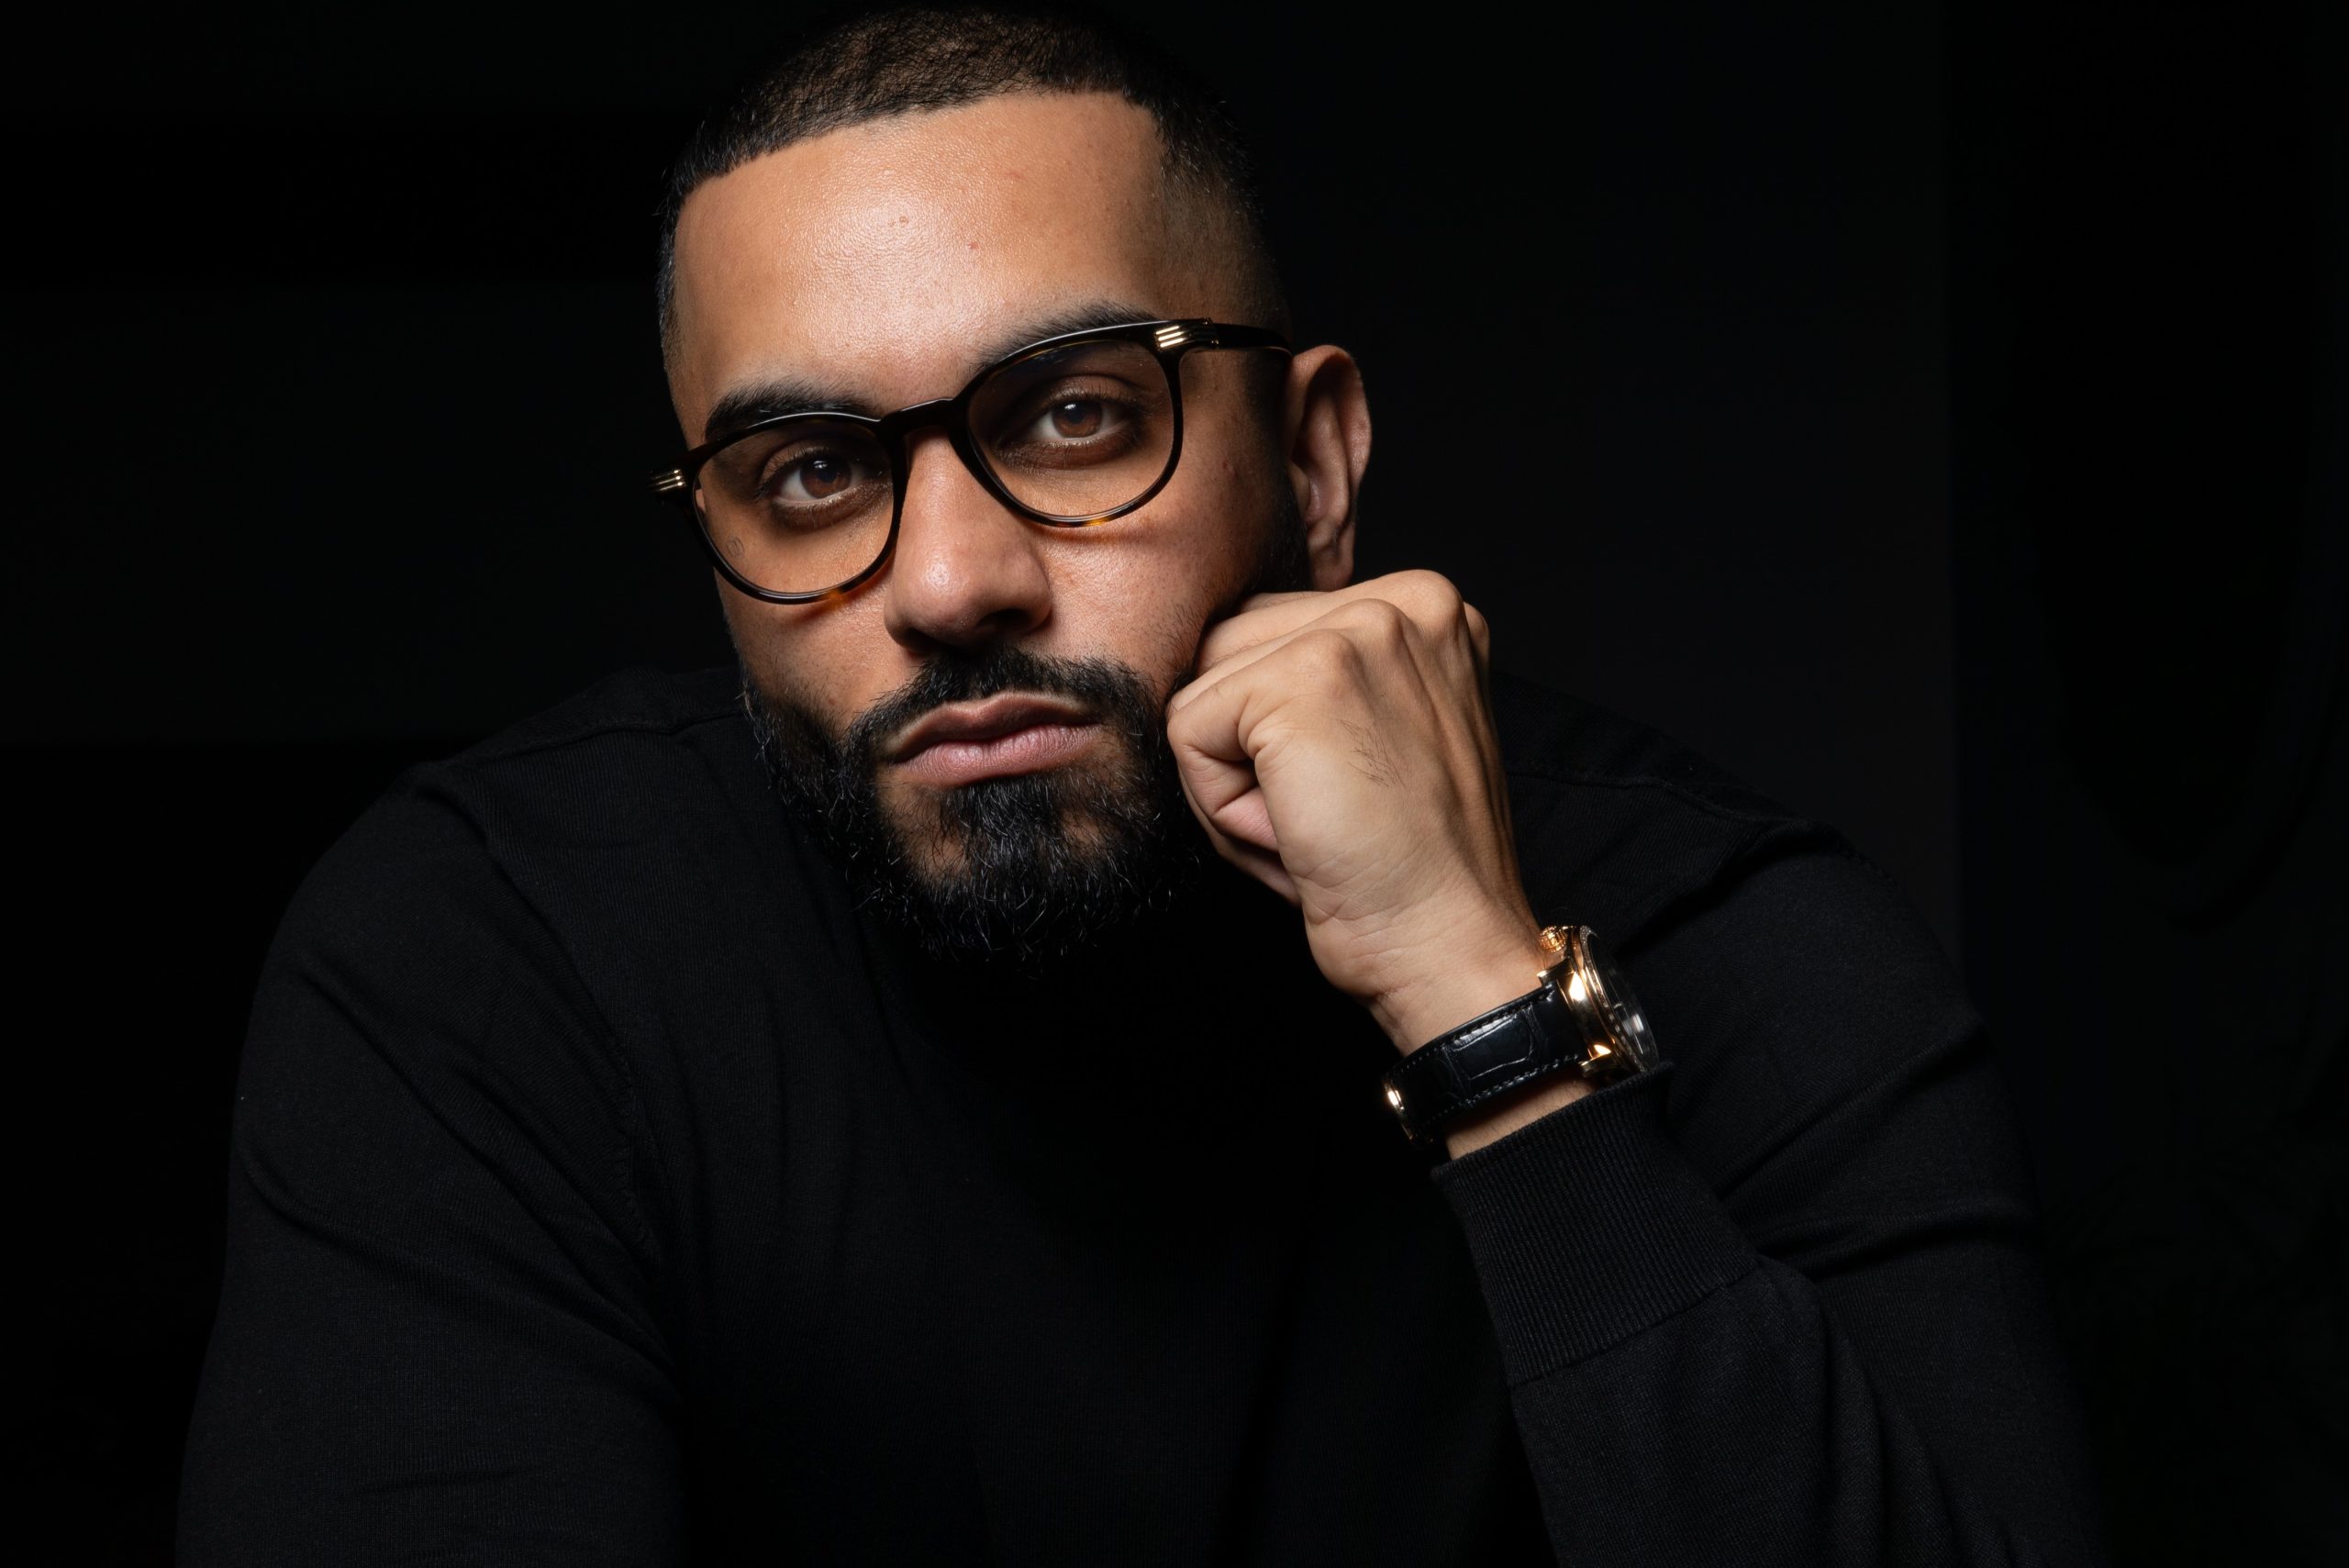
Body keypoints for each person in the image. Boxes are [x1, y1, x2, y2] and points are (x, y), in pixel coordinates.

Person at [178, 6, 2108, 1562]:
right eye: (812, 474)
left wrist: (1479, 1003)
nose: (949, 584)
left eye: (1078, 415)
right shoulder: (491, 957)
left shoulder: (1738, 940)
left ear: (1316, 463)